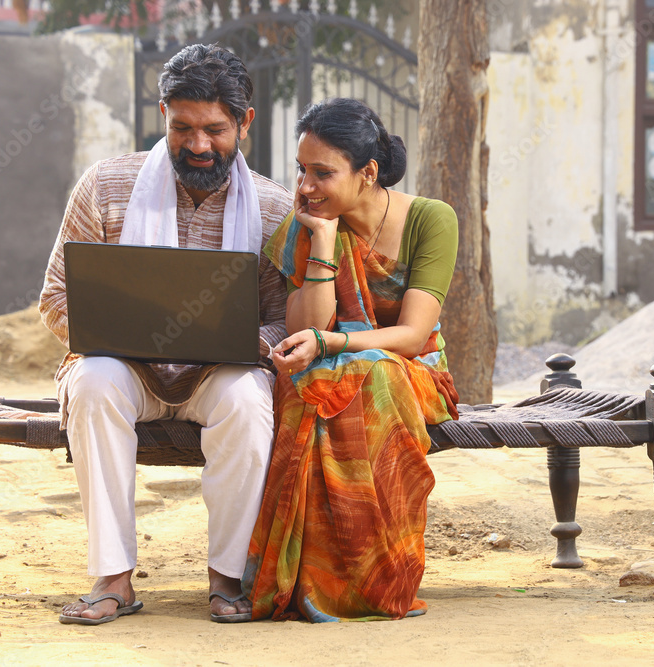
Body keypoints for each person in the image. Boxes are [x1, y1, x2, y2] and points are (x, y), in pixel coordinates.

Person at [38, 44, 293, 625]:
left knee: (249, 399)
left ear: (244, 123)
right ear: (163, 115)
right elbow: (54, 298)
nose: (198, 145)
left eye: (215, 130)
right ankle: (113, 579)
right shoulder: (105, 185)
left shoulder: (276, 209)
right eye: (183, 128)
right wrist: (111, 330)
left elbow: (285, 319)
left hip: (218, 373)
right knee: (95, 382)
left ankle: (228, 578)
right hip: (124, 369)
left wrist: (243, 342)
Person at [241, 98, 460, 622]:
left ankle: (378, 577)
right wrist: (320, 239)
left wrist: (332, 344)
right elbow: (302, 329)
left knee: (369, 371)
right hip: (326, 366)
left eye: (322, 173)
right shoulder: (309, 222)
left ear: (368, 173)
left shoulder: (431, 220)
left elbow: (410, 334)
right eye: (301, 170)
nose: (305, 186)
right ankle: (311, 581)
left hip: (413, 372)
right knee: (305, 385)